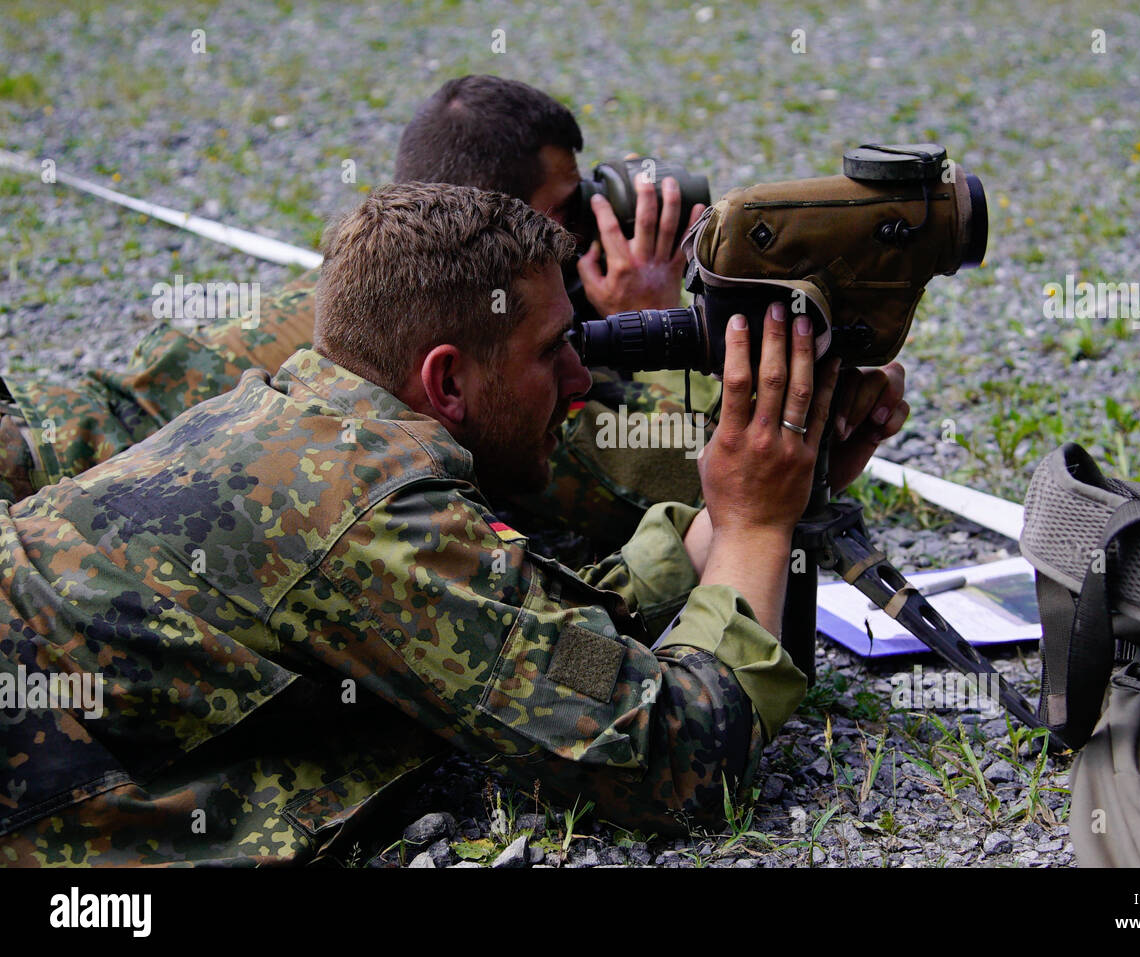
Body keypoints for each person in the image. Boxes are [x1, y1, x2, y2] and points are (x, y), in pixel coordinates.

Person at [0, 183, 877, 865]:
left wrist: (725, 521)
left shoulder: (300, 420)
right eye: (552, 350)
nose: (581, 380)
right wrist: (759, 525)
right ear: (448, 382)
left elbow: (518, 635)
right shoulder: (371, 508)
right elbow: (675, 761)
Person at [0, 76, 908, 565]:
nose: (591, 225)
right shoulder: (463, 352)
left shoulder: (367, 291)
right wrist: (661, 332)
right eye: (567, 209)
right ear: (492, 225)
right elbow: (674, 483)